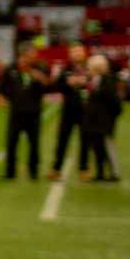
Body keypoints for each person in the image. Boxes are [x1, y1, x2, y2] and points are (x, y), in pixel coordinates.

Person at [0, 46, 48, 180]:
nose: (35, 57)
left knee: (34, 143)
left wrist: (40, 78)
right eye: (32, 54)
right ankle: (10, 172)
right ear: (24, 55)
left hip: (34, 113)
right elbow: (2, 87)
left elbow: (47, 87)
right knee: (11, 142)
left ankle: (33, 171)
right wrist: (1, 97)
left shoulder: (40, 68)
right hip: (16, 113)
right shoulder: (10, 69)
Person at [48, 43, 89, 181]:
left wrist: (84, 82)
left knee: (85, 141)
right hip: (68, 111)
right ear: (70, 55)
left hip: (85, 111)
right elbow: (55, 87)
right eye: (74, 52)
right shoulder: (65, 70)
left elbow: (96, 85)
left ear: (84, 53)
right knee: (62, 140)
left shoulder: (89, 68)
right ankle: (56, 169)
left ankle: (83, 170)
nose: (77, 54)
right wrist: (67, 83)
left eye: (79, 51)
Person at [83, 53, 122, 182]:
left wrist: (111, 118)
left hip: (105, 121)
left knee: (107, 146)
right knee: (97, 147)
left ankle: (115, 173)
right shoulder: (94, 80)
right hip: (94, 121)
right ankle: (100, 172)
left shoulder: (109, 80)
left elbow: (115, 102)